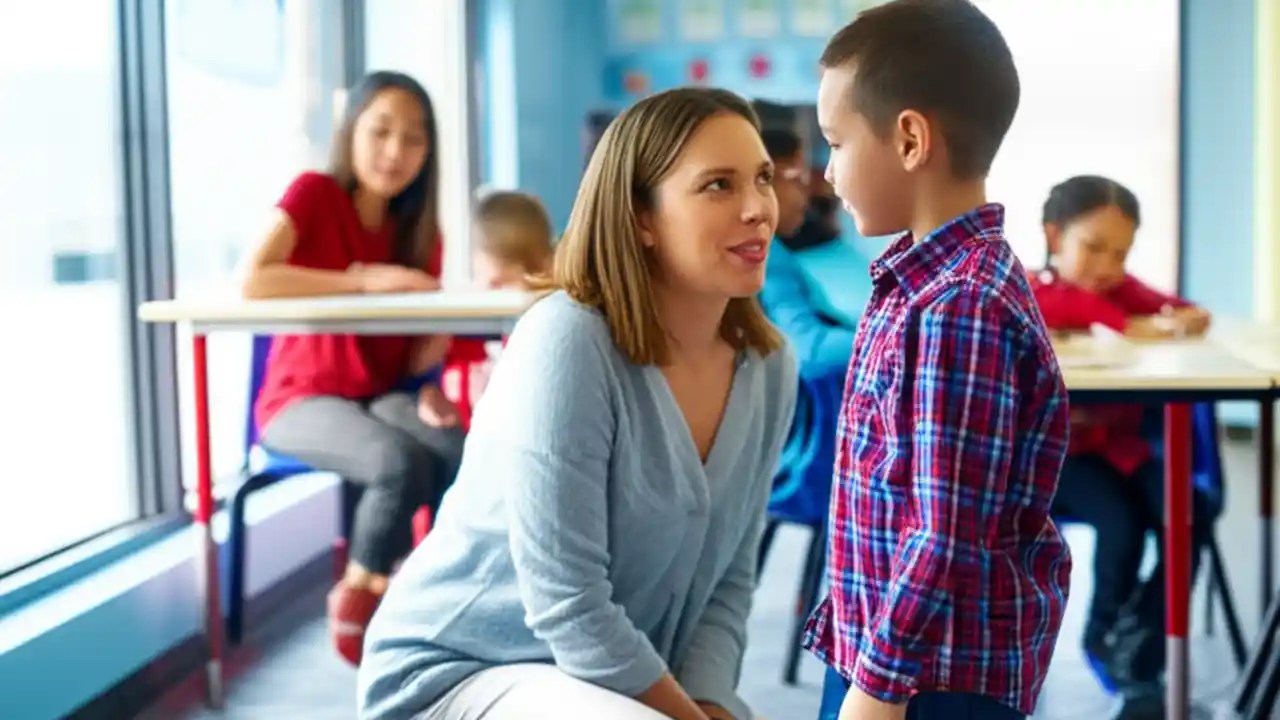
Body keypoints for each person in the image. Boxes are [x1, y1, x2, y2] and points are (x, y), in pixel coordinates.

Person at [358, 87, 798, 720]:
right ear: (641, 218)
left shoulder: (770, 366)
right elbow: (569, 605)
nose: (758, 208)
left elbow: (727, 583)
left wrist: (709, 706)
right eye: (718, 186)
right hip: (458, 671)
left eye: (762, 179)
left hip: (611, 686)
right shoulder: (568, 339)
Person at [803, 2, 1072, 719]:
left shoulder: (958, 305)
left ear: (910, 139)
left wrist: (877, 686)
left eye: (836, 143)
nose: (828, 172)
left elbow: (942, 531)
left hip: (928, 680)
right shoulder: (921, 281)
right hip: (889, 656)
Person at [238, 70, 463, 666]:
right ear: (350, 132)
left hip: (379, 394)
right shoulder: (314, 194)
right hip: (298, 400)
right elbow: (254, 279)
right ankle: (362, 599)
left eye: (414, 138)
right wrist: (364, 281)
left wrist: (432, 360)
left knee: (453, 448)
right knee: (396, 461)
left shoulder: (420, 231)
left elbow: (412, 356)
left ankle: (435, 592)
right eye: (380, 131)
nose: (396, 151)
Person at [1030, 175, 1215, 719]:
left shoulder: (1118, 290)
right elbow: (1073, 308)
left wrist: (1175, 318)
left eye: (1121, 253)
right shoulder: (1032, 289)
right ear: (1054, 235)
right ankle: (1103, 633)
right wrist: (1132, 324)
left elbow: (1183, 310)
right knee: (1121, 521)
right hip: (1061, 460)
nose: (1107, 266)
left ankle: (1140, 643)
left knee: (1189, 511)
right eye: (1093, 247)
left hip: (1121, 450)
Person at [757, 127, 856, 527]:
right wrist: (898, 336)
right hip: (792, 478)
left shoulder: (775, 254)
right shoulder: (767, 256)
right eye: (796, 178)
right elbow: (810, 351)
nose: (807, 194)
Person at [419, 190, 555, 431]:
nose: (506, 295)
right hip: (465, 433)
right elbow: (426, 372)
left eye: (511, 282)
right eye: (495, 284)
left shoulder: (551, 324)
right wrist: (428, 393)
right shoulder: (464, 321)